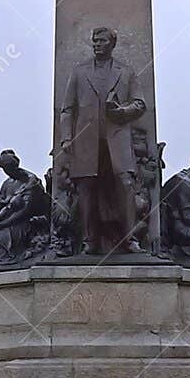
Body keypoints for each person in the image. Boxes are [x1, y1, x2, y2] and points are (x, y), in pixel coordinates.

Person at [58, 25, 146, 255]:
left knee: (126, 185)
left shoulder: (125, 72)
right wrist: (66, 138)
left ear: (112, 43)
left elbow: (140, 103)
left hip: (117, 139)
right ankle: (90, 241)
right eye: (95, 40)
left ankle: (130, 239)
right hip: (86, 141)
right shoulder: (79, 72)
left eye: (102, 41)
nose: (97, 44)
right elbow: (67, 109)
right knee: (86, 188)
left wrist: (122, 111)